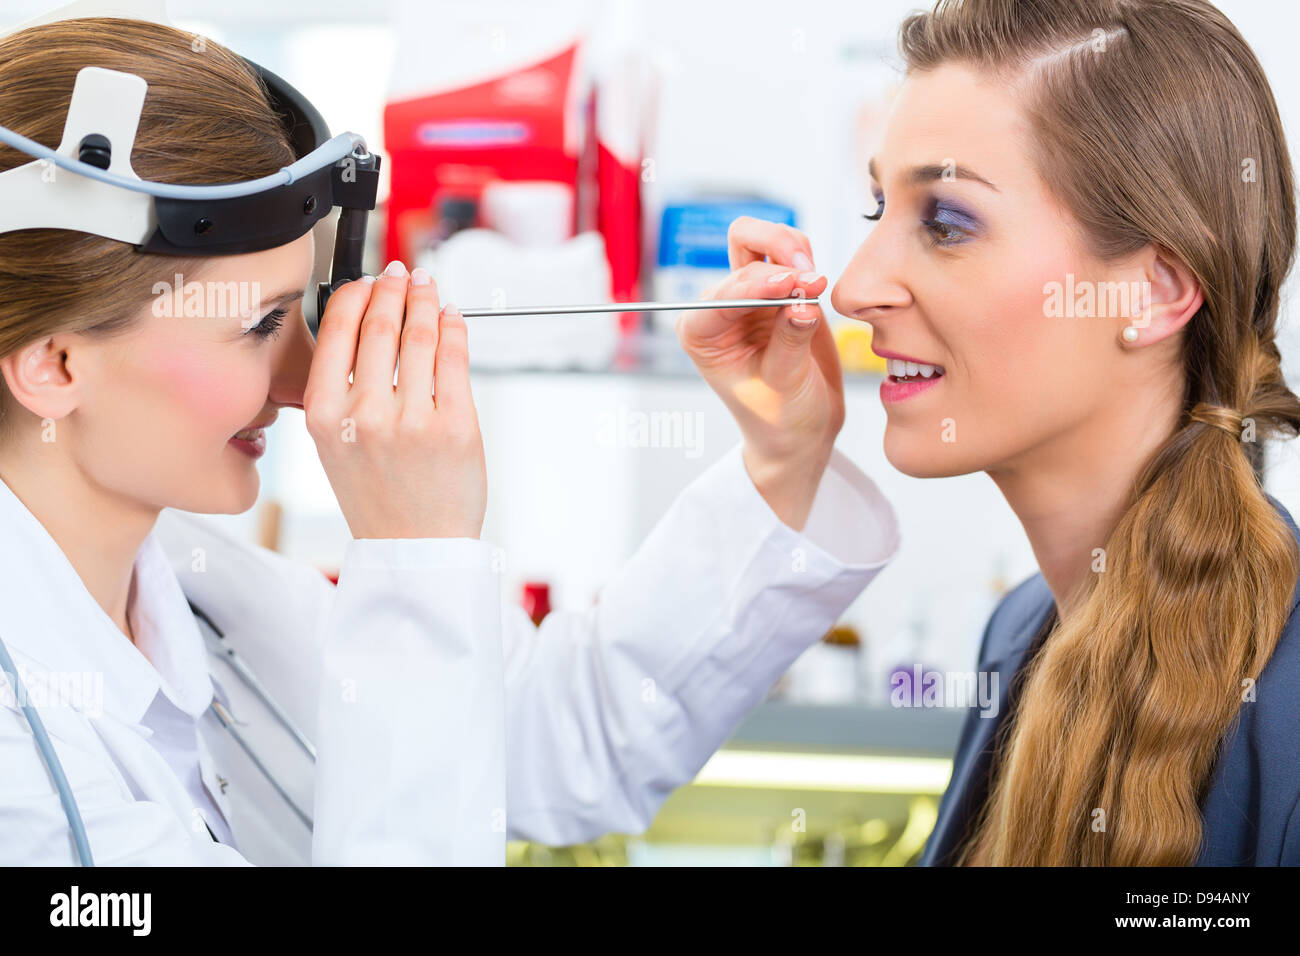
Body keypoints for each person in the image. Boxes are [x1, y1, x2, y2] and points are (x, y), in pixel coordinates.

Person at [0, 14, 900, 865]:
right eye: (259, 324)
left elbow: (556, 740)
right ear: (54, 366)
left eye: (305, 309)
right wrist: (413, 552)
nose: (308, 379)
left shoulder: (205, 593)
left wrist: (785, 455)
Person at [811, 0, 1298, 865]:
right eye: (877, 210)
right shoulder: (1020, 631)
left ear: (1150, 293)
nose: (852, 289)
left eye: (946, 222)